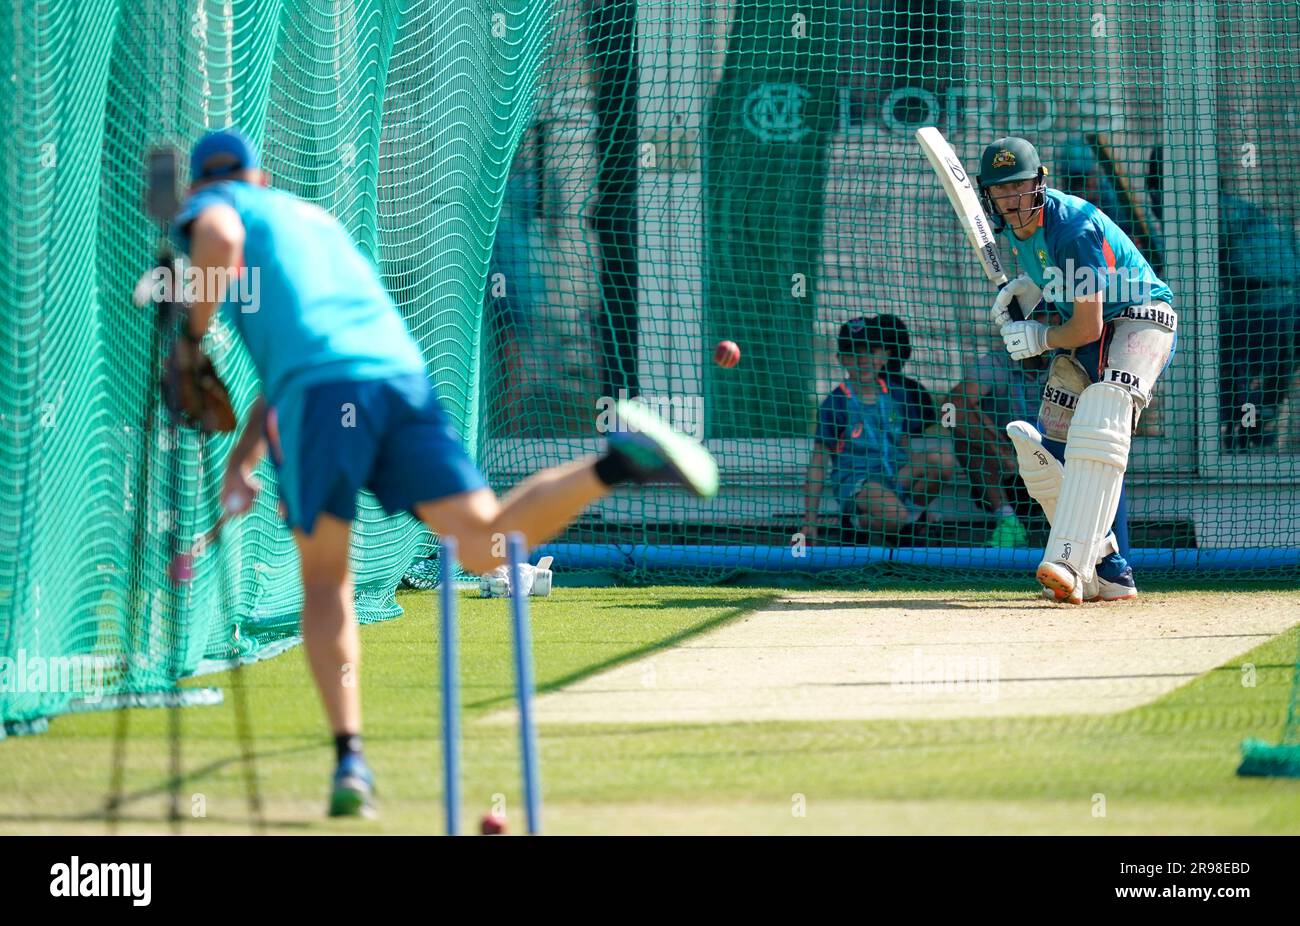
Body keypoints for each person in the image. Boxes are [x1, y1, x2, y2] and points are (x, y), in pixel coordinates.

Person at [172, 128, 718, 818]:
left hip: (320, 401)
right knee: (489, 544)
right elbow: (308, 352)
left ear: (202, 184)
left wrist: (193, 335)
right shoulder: (312, 222)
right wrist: (245, 457)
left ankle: (351, 763)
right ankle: (617, 462)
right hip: (395, 377)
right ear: (262, 173)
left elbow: (218, 239)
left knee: (325, 578)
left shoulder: (214, 208)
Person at [978, 136, 1176, 604]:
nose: (1011, 199)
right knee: (1050, 451)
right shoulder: (1008, 227)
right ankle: (1109, 568)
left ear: (1040, 182)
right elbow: (1064, 283)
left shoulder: (1072, 227)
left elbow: (1086, 326)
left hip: (1140, 318)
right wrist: (1033, 288)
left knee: (1103, 418)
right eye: (1001, 190)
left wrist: (1040, 337)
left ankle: (1075, 561)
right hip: (1095, 326)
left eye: (1021, 186)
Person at [802, 316, 956, 542]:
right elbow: (818, 461)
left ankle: (914, 515)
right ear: (841, 359)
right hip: (859, 481)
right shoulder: (835, 403)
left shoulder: (896, 394)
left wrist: (918, 475)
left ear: (885, 354)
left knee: (942, 459)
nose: (863, 360)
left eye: (871, 351)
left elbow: (901, 443)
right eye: (854, 352)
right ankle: (857, 522)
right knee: (894, 515)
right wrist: (809, 520)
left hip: (894, 475)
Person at [947, 345, 1052, 547]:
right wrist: (997, 448)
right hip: (1006, 473)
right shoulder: (998, 361)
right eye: (1039, 316)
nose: (1048, 322)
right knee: (961, 433)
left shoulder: (1066, 360)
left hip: (1054, 465)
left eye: (1054, 316)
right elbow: (948, 410)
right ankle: (1008, 523)